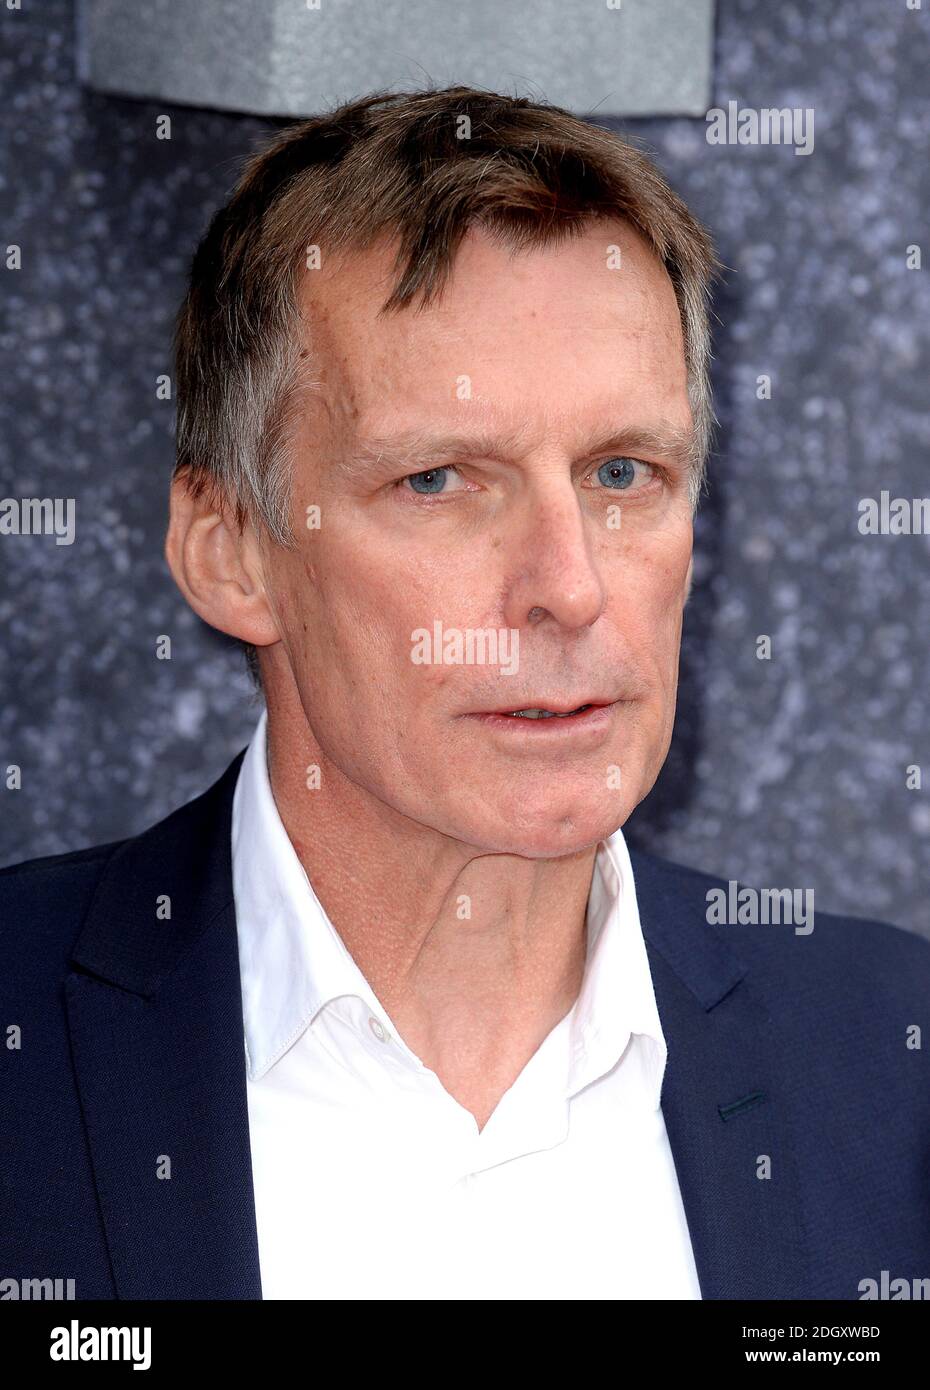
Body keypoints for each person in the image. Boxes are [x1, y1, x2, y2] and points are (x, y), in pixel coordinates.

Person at [2, 86, 928, 1302]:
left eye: (621, 471)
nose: (570, 587)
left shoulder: (891, 1058)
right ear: (229, 549)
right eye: (440, 479)